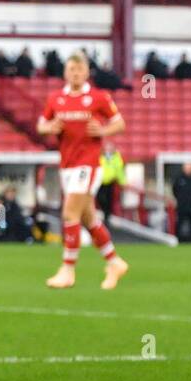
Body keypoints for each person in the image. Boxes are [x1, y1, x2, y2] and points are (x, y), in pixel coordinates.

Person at [37, 52, 129, 290]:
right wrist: (49, 127)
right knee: (88, 218)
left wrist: (102, 131)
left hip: (88, 165)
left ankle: (68, 270)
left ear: (86, 72)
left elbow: (120, 123)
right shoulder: (55, 99)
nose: (75, 74)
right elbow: (40, 125)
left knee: (69, 213)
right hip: (67, 165)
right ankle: (114, 261)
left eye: (79, 70)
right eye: (71, 70)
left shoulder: (98, 97)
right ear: (66, 73)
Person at [96, 141, 125, 221]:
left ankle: (107, 216)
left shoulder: (116, 158)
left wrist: (122, 182)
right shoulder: (100, 156)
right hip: (100, 181)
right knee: (100, 198)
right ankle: (104, 212)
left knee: (109, 199)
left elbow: (119, 170)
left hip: (110, 182)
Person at [173, 163, 191, 243]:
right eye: (187, 168)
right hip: (182, 206)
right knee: (179, 223)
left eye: (190, 168)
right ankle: (177, 240)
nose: (188, 169)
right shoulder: (179, 179)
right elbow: (174, 190)